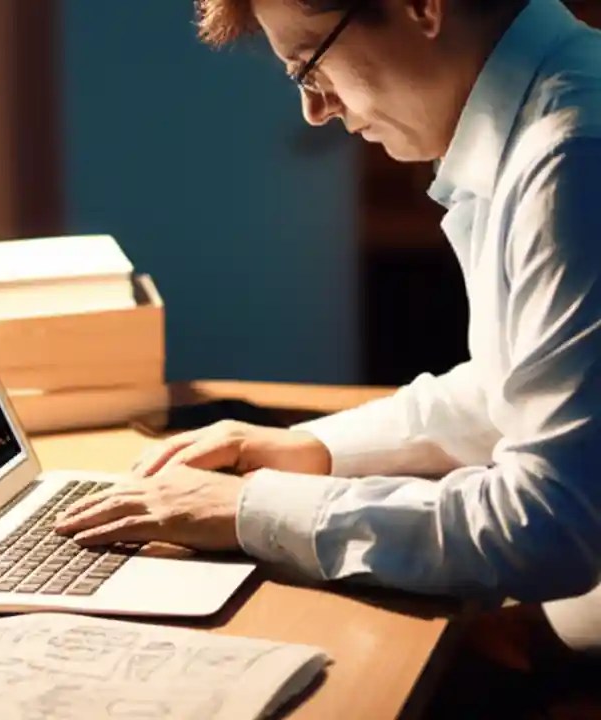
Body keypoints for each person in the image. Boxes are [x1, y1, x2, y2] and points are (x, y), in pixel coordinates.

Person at [54, 0, 600, 658]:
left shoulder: (572, 158)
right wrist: (309, 448)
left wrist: (249, 511)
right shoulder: (548, 116)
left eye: (310, 64)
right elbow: (512, 389)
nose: (317, 108)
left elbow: (548, 527)